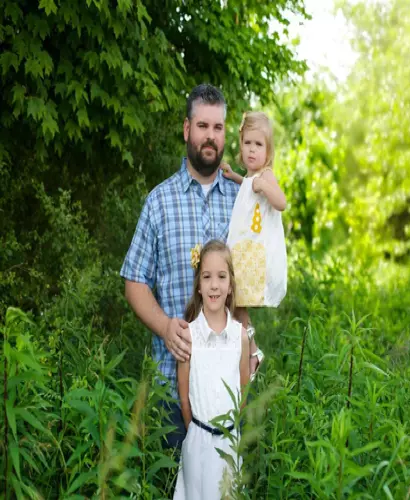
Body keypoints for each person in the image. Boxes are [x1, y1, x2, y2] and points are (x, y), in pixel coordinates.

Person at [120, 84, 262, 448]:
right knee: (173, 487)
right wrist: (166, 327)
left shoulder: (242, 201)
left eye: (217, 127)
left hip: (227, 384)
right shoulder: (159, 202)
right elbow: (134, 281)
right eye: (202, 126)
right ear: (187, 130)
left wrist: (250, 342)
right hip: (171, 385)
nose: (210, 137)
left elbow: (247, 284)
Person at [173, 240, 249, 499]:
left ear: (230, 286)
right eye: (207, 277)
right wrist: (197, 430)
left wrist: (227, 432)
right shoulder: (189, 335)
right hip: (197, 441)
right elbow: (184, 397)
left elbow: (243, 392)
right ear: (199, 285)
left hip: (229, 442)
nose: (214, 284)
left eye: (221, 277)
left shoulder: (240, 336)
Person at [223, 111, 287, 374]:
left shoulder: (266, 175)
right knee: (235, 305)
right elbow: (249, 187)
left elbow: (281, 202)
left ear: (268, 150)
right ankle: (250, 350)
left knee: (235, 302)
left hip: (253, 256)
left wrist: (264, 186)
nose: (252, 149)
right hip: (242, 252)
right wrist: (235, 177)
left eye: (258, 144)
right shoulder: (251, 178)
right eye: (247, 143)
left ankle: (251, 351)